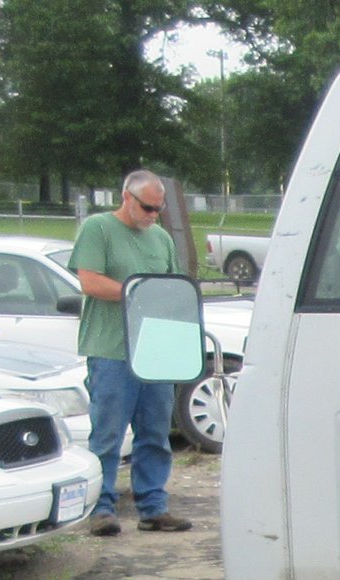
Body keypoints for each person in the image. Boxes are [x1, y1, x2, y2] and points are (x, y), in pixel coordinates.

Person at [71, 169, 193, 535]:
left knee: (155, 432)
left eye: (159, 209)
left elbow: (172, 286)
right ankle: (101, 507)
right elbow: (90, 281)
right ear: (126, 197)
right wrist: (137, 293)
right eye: (147, 208)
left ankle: (153, 506)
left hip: (153, 350)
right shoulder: (98, 229)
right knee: (108, 433)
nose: (153, 215)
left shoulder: (160, 238)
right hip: (111, 349)